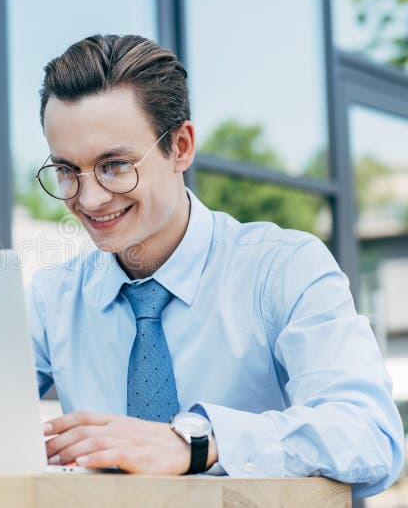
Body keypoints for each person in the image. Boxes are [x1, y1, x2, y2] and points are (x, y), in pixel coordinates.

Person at [28, 34, 404, 499]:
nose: (89, 198)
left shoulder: (283, 269)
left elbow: (370, 433)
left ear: (180, 148)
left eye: (115, 166)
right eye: (67, 171)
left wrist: (200, 441)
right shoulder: (51, 299)